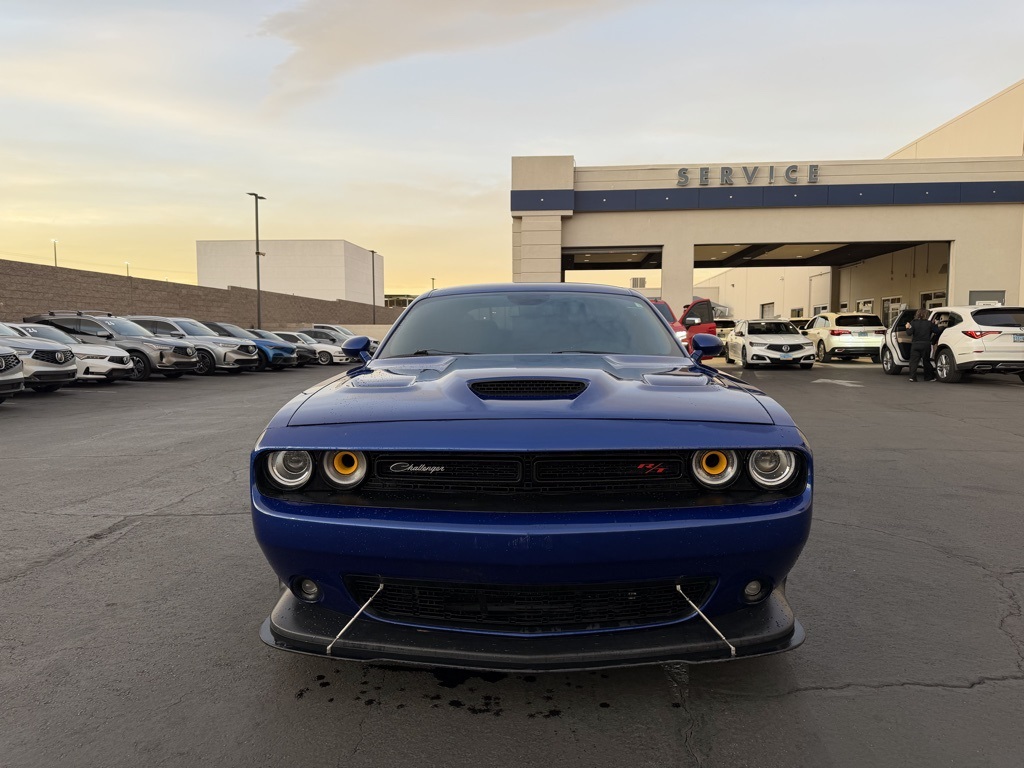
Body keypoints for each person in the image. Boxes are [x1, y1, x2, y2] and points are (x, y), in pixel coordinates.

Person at [904, 309, 940, 382]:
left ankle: (912, 377)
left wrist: (907, 327)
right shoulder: (929, 323)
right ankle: (928, 377)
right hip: (925, 345)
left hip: (915, 345)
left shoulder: (913, 323)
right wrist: (935, 324)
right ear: (926, 315)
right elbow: (937, 331)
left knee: (913, 361)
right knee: (926, 361)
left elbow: (909, 333)